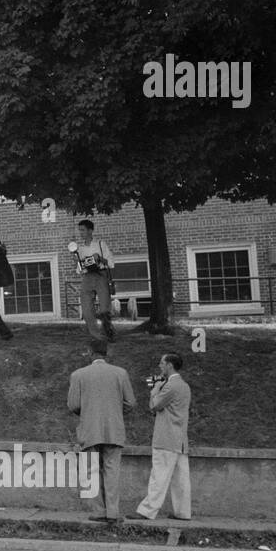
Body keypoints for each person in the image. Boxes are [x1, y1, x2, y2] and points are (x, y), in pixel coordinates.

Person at [67, 338, 136, 524]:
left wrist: (88, 412)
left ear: (90, 353)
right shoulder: (120, 373)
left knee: (92, 470)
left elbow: (73, 404)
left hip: (89, 430)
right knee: (112, 470)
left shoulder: (78, 375)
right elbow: (131, 403)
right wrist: (115, 412)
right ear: (107, 353)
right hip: (114, 429)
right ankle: (113, 512)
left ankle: (99, 510)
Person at [129, 353, 192, 521]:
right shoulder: (185, 386)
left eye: (162, 363)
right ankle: (183, 512)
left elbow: (155, 406)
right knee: (181, 479)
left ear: (170, 365)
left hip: (166, 438)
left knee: (159, 476)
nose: (160, 366)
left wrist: (154, 390)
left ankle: (146, 511)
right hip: (181, 440)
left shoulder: (170, 386)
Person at [73, 219, 116, 342]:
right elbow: (79, 270)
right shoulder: (79, 249)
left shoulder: (101, 244)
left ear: (90, 230)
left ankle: (108, 334)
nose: (81, 233)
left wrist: (99, 259)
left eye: (83, 230)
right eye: (79, 230)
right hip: (87, 277)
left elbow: (111, 263)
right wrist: (78, 262)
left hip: (101, 275)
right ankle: (95, 336)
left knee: (104, 309)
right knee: (86, 309)